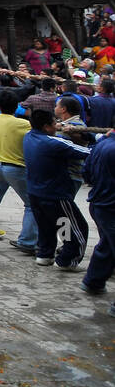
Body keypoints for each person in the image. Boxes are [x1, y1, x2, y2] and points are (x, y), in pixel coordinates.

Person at [23, 109, 91, 270]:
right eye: (54, 123)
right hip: (55, 195)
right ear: (47, 126)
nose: (56, 126)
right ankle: (67, 260)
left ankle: (44, 255)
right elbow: (88, 152)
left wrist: (62, 128)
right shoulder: (53, 143)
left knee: (46, 226)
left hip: (35, 192)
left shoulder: (28, 137)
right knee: (73, 227)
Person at [0, 90, 37, 254]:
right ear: (16, 106)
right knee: (31, 204)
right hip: (16, 167)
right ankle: (28, 241)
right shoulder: (24, 124)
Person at [80, 133, 115, 312]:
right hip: (110, 206)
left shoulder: (101, 144)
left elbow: (86, 172)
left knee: (108, 244)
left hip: (99, 203)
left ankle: (93, 281)